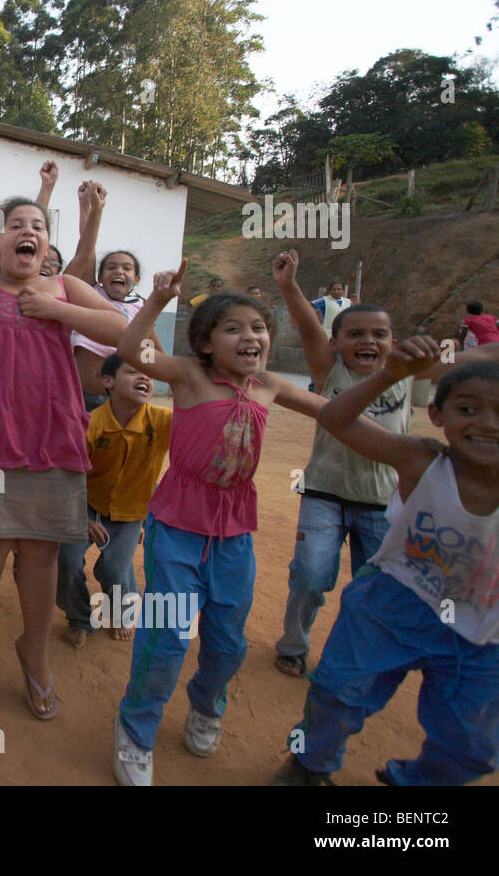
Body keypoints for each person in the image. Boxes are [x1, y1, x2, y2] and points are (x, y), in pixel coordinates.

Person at [0, 124, 127, 721]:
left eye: (38, 226)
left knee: (38, 554)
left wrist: (55, 307)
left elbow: (122, 332)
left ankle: (34, 652)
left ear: (46, 244)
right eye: (17, 226)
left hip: (56, 444)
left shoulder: (65, 287)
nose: (28, 231)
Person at [110, 261, 327, 786]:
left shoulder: (269, 386)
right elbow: (131, 351)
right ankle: (136, 730)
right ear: (206, 344)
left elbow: (333, 412)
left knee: (228, 640)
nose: (250, 336)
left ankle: (207, 705)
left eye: (258, 328)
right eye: (234, 328)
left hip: (234, 533)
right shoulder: (188, 376)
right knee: (167, 637)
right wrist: (158, 300)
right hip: (178, 527)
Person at [272, 349, 499, 786]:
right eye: (468, 409)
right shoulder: (422, 460)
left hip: (483, 631)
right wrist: (389, 376)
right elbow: (335, 419)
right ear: (435, 413)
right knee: (335, 695)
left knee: (472, 744)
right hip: (393, 602)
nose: (487, 423)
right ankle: (308, 763)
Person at [270, 250, 411, 678]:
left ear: (393, 340)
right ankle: (293, 645)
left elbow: (470, 363)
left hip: (382, 501)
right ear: (335, 343)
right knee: (311, 575)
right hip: (323, 494)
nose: (368, 341)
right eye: (355, 334)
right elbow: (309, 327)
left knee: (374, 587)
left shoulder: (406, 372)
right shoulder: (329, 372)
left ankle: (356, 655)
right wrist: (289, 286)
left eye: (379, 334)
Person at [58, 354, 171, 648]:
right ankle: (80, 618)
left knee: (113, 569)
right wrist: (81, 518)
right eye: (133, 371)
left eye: (148, 373)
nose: (143, 377)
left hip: (132, 511)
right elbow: (69, 475)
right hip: (86, 504)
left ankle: (120, 610)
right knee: (65, 561)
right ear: (107, 381)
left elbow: (198, 419)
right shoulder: (91, 424)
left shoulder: (162, 422)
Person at [63, 181, 146, 411]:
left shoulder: (142, 307)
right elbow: (86, 250)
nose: (119, 271)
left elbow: (149, 345)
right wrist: (88, 208)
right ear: (99, 276)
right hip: (79, 396)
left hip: (118, 401)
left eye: (126, 268)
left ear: (136, 279)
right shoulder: (91, 293)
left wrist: (148, 369)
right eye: (111, 267)